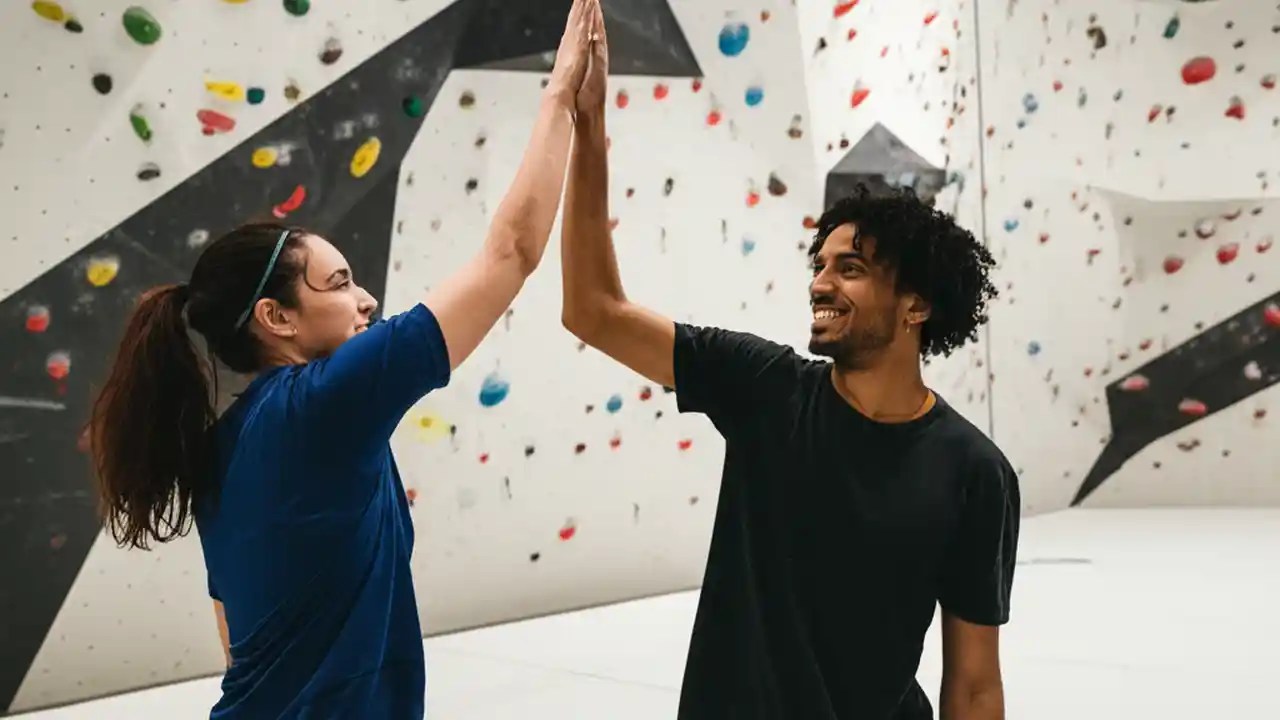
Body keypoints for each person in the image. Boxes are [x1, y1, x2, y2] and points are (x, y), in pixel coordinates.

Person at [86, 1, 606, 716]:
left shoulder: (225, 442)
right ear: (276, 318)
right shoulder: (322, 403)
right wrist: (562, 96)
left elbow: (234, 638)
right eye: (337, 284)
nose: (366, 300)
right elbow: (511, 253)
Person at [559, 19, 1020, 720]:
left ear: (917, 305)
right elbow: (595, 311)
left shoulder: (975, 473)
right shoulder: (762, 387)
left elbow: (976, 684)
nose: (820, 283)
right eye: (820, 265)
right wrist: (588, 126)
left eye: (851, 268)